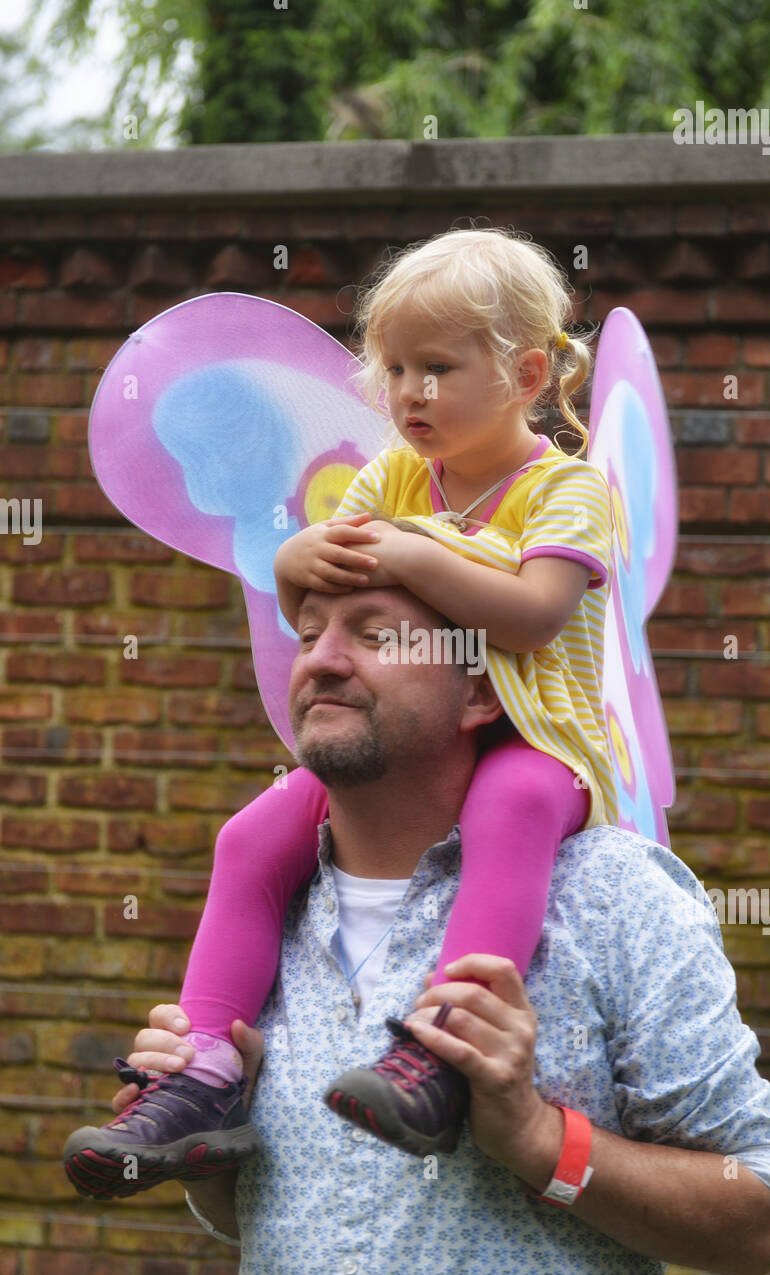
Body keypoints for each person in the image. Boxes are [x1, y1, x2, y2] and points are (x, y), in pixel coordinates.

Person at [64, 224, 620, 1197]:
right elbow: (304, 576)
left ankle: (441, 1049)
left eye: (437, 368)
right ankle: (203, 1068)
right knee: (252, 833)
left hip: (539, 738)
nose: (408, 394)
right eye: (394, 368)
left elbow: (535, 615)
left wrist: (408, 557)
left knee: (510, 809)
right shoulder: (396, 476)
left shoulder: (564, 488)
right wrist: (293, 562)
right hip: (419, 743)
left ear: (527, 371)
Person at [108, 580, 770, 1275]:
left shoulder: (612, 894)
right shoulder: (263, 909)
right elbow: (290, 1224)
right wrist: (218, 1144)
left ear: (478, 693)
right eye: (309, 635)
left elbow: (755, 1224)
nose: (324, 660)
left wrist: (536, 1140)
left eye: (375, 636)